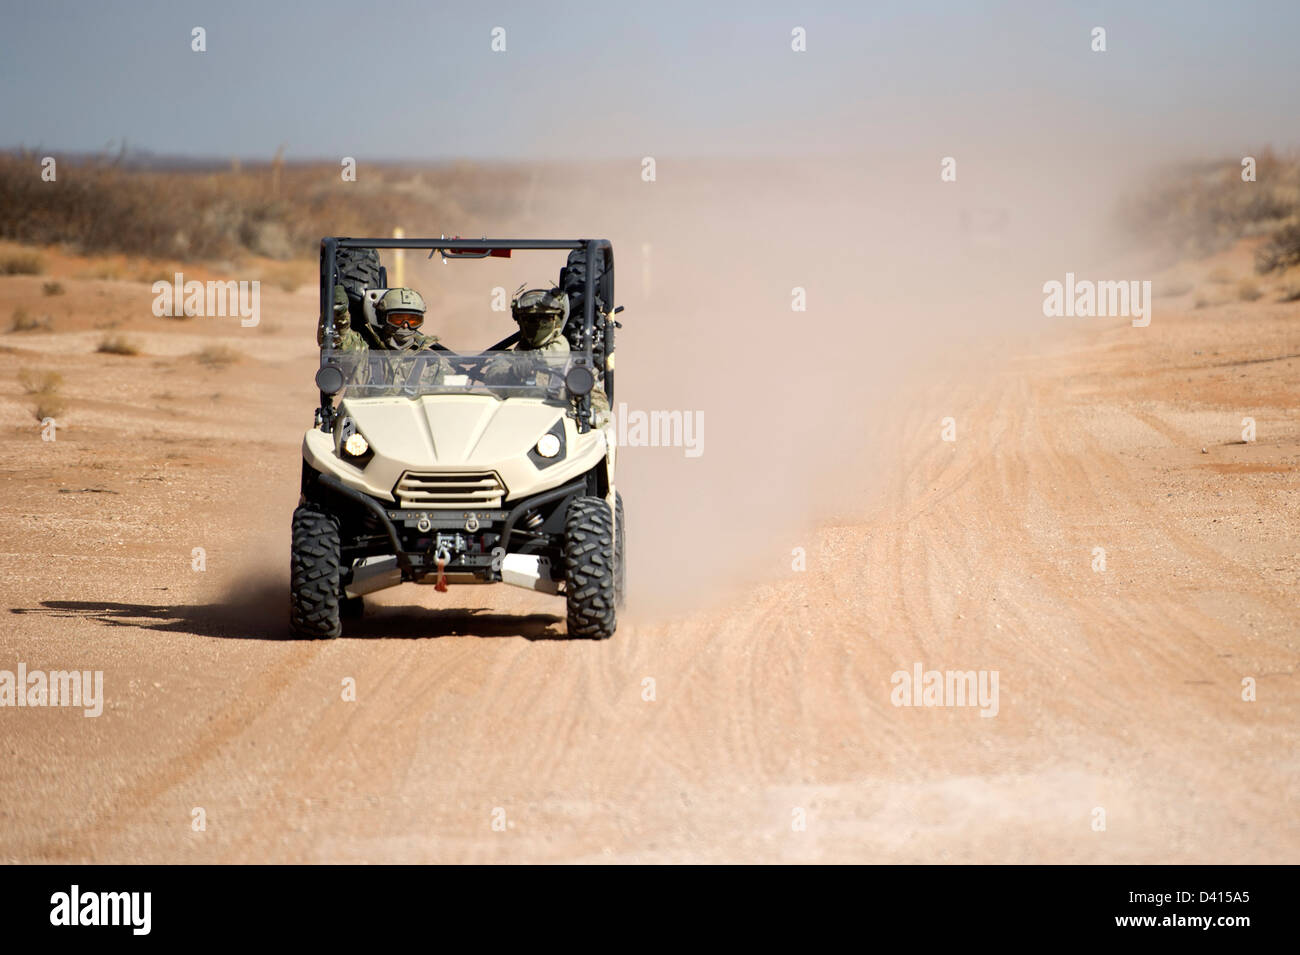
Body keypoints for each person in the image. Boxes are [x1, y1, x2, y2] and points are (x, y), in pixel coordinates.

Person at [483, 286, 610, 421]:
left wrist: (587, 416)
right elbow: (491, 380)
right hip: (513, 423)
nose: (537, 325)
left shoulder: (574, 367)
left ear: (557, 321)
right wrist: (513, 372)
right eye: (530, 319)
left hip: (553, 430)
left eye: (545, 319)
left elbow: (601, 411)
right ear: (520, 321)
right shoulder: (508, 360)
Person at [365, 287, 450, 393]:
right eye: (397, 319)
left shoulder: (434, 363)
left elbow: (448, 399)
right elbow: (346, 341)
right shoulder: (363, 353)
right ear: (383, 318)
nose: (405, 325)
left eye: (413, 320)